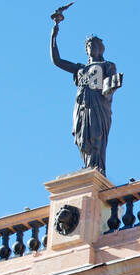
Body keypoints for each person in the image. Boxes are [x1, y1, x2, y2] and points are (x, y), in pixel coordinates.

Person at [50, 16, 122, 175]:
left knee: (96, 135)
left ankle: (96, 168)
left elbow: (109, 85)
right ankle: (88, 166)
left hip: (98, 104)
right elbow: (57, 60)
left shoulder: (107, 65)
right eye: (88, 45)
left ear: (100, 48)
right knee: (82, 137)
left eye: (94, 44)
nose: (90, 47)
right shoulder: (79, 68)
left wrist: (111, 87)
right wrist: (54, 34)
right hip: (82, 104)